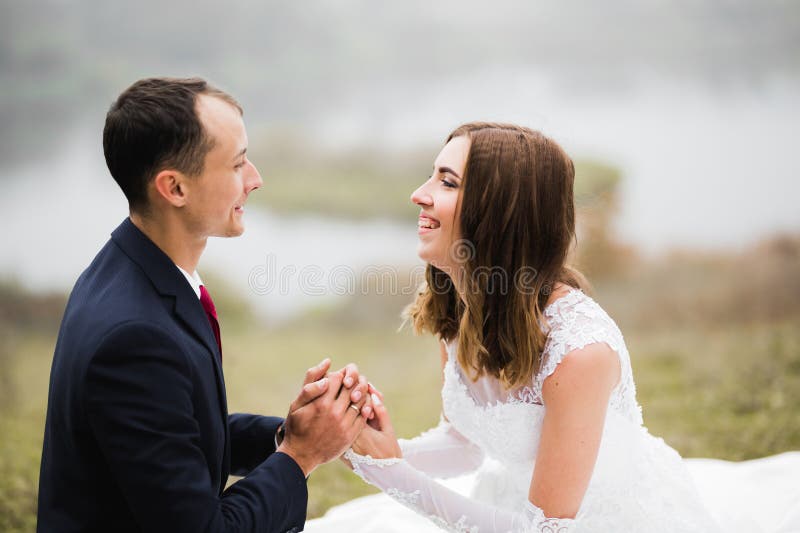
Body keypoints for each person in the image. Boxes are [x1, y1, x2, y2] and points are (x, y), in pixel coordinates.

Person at [305, 123, 800, 532]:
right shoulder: (461, 312)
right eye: (431, 177)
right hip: (513, 504)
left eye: (447, 182)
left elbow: (544, 529)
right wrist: (363, 444)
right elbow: (465, 446)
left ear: (498, 214)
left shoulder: (579, 349)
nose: (419, 194)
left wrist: (393, 476)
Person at [37, 77, 375, 532]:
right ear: (174, 188)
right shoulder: (134, 337)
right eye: (237, 165)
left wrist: (293, 431)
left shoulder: (132, 270)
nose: (256, 179)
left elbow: (175, 434)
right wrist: (301, 455)